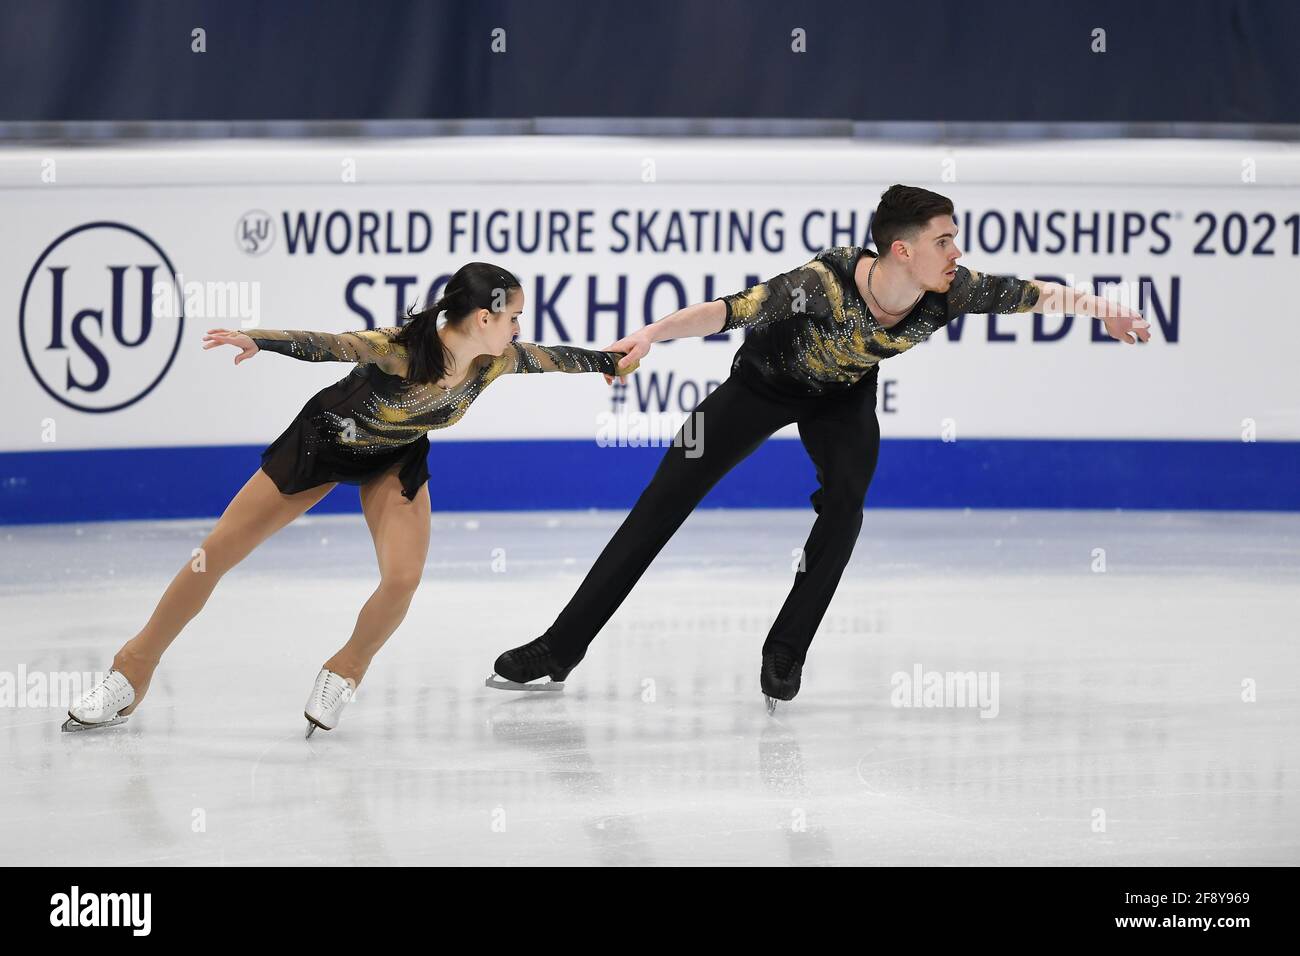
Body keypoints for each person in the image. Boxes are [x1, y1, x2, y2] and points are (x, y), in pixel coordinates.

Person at [490, 185, 1150, 713]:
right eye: (943, 240)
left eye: (955, 240)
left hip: (842, 400)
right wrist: (653, 334)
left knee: (847, 503)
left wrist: (1105, 310)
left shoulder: (950, 291)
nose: (956, 253)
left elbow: (1032, 294)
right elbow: (734, 309)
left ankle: (785, 652)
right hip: (758, 389)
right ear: (900, 251)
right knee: (662, 501)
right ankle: (559, 646)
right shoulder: (822, 282)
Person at [63, 262, 637, 736]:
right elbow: (329, 345)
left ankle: (345, 669)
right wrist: (256, 340)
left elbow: (557, 358)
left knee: (402, 578)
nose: (518, 328)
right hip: (324, 442)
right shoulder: (400, 351)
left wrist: (610, 362)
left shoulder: (495, 361)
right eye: (513, 317)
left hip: (394, 457)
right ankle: (132, 669)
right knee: (213, 554)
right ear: (483, 316)